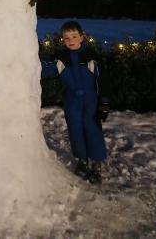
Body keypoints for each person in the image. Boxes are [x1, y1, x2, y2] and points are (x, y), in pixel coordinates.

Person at [41, 20, 110, 184]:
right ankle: (82, 160)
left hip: (91, 100)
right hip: (71, 100)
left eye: (74, 36)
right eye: (66, 38)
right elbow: (45, 69)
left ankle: (96, 163)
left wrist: (104, 103)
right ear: (62, 40)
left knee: (92, 129)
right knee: (75, 130)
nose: (70, 40)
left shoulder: (91, 57)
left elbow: (103, 79)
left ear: (81, 37)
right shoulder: (60, 58)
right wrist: (34, 51)